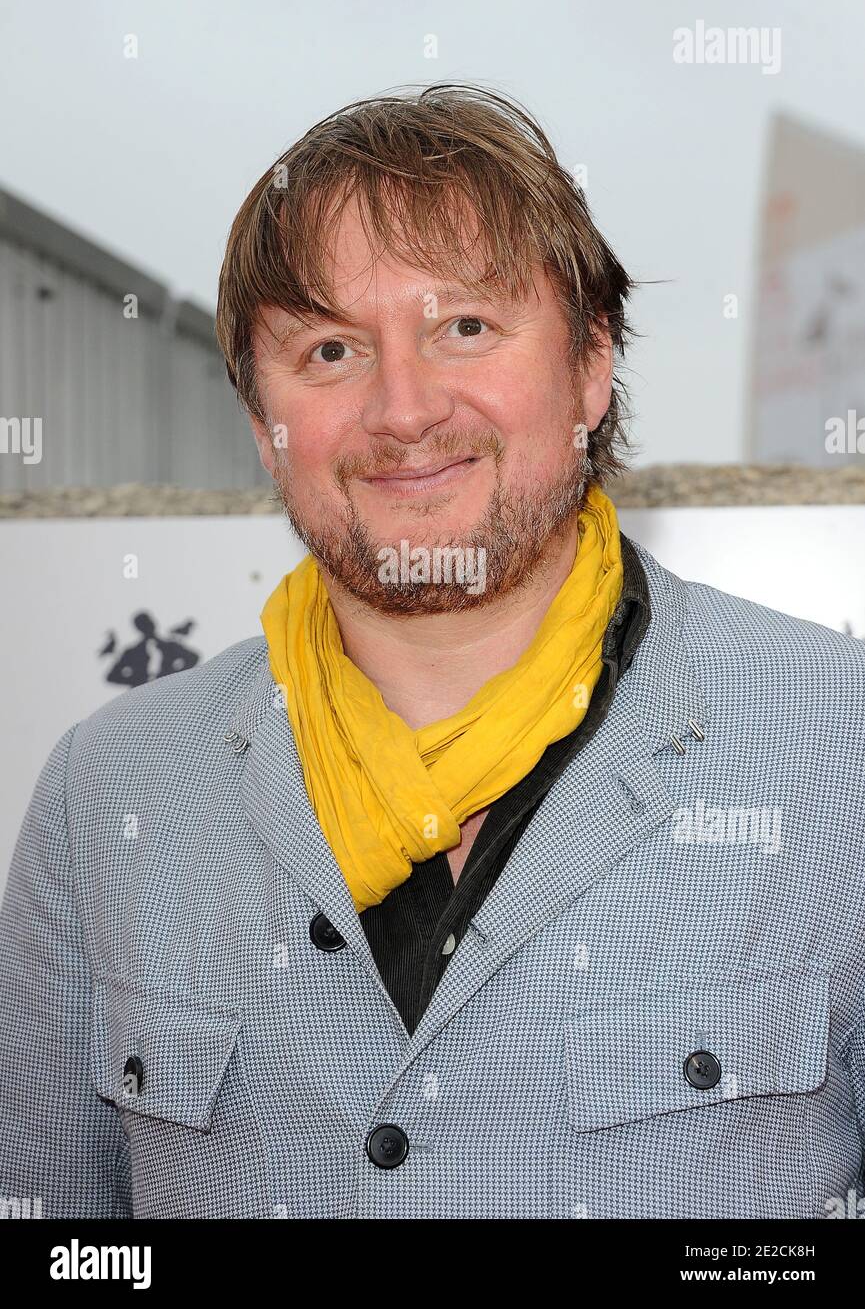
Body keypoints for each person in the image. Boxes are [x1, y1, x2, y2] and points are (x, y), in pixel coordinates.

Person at [1, 84, 863, 1220]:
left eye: (465, 326)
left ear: (591, 368)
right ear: (266, 422)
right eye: (328, 349)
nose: (403, 410)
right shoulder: (105, 794)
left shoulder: (835, 745)